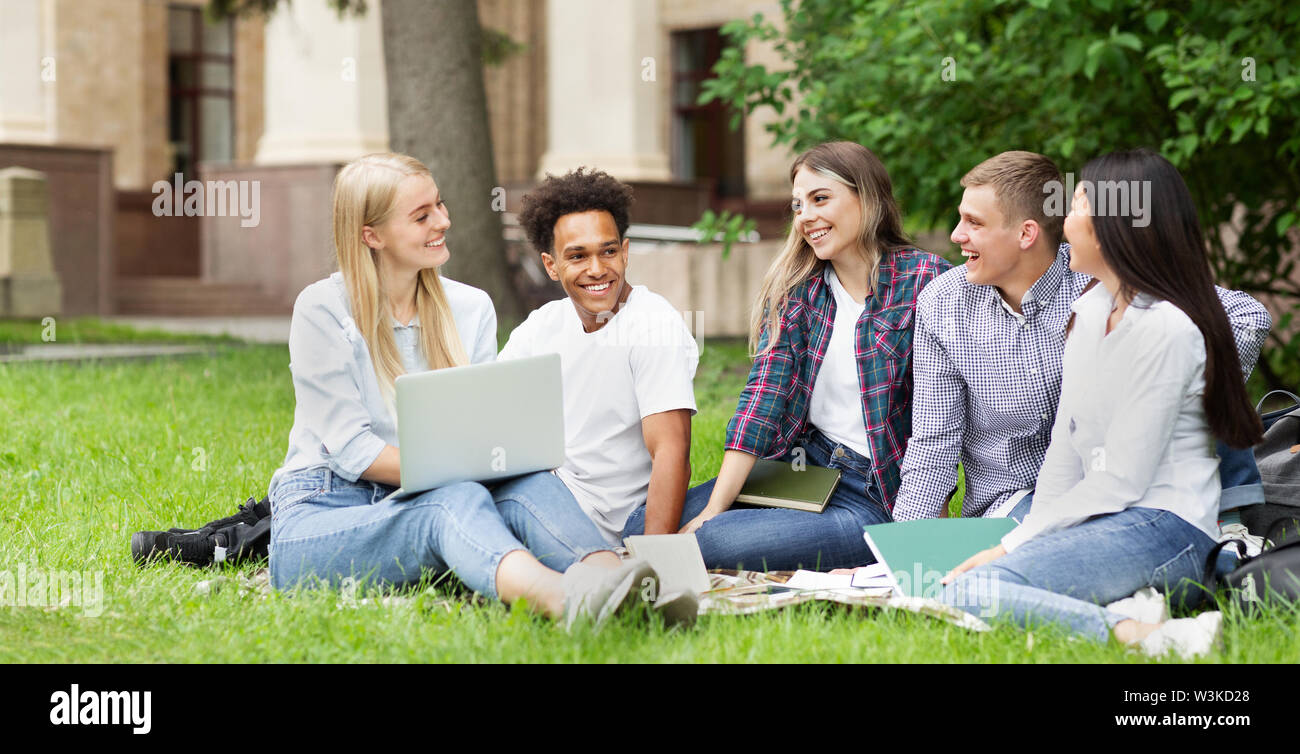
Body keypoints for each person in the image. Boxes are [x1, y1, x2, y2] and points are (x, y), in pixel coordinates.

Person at [265, 152, 678, 629]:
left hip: (430, 492)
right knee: (450, 501)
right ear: (371, 235)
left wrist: (498, 460)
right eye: (422, 216)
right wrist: (463, 472)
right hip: (325, 510)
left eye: (439, 205)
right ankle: (566, 602)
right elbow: (354, 452)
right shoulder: (322, 310)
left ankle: (619, 581)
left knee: (530, 480)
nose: (443, 220)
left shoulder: (470, 307)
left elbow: (485, 437)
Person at [941, 148, 1266, 657]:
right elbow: (1064, 455)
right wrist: (1026, 536)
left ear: (1115, 226)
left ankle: (1156, 638)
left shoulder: (1167, 327)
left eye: (1073, 209)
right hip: (1111, 521)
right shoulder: (1089, 312)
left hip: (1168, 524)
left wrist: (1010, 546)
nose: (1061, 223)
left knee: (974, 591)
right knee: (978, 582)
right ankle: (1131, 607)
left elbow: (1123, 480)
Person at [892, 151, 1271, 532]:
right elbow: (934, 440)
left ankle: (1231, 526)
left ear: (1026, 233)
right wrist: (906, 549)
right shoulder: (943, 305)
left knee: (1198, 343)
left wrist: (1145, 384)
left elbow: (1245, 318)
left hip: (1133, 475)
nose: (957, 235)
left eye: (973, 222)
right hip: (1020, 495)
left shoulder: (1100, 272)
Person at [624, 141, 951, 571]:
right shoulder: (801, 291)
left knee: (710, 544)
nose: (806, 217)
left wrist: (923, 528)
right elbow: (762, 402)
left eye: (820, 199)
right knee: (645, 525)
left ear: (866, 198)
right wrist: (712, 509)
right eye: (798, 205)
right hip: (805, 470)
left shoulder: (928, 281)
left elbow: (944, 416)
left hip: (876, 497)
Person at [499, 169, 698, 544]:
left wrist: (653, 561)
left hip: (615, 524)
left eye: (608, 251)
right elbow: (491, 412)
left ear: (625, 252)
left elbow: (672, 453)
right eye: (577, 256)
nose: (597, 269)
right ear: (551, 265)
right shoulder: (541, 327)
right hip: (545, 498)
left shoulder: (653, 324)